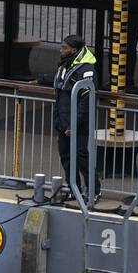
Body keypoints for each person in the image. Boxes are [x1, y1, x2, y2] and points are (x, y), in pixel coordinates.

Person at [38, 35, 100, 206]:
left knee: (81, 157)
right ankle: (75, 190)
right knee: (66, 157)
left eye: (64, 47)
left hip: (78, 124)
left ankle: (94, 191)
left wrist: (74, 124)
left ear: (74, 49)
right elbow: (59, 80)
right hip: (62, 121)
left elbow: (86, 101)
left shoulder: (87, 70)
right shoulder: (66, 65)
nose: (61, 50)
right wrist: (40, 79)